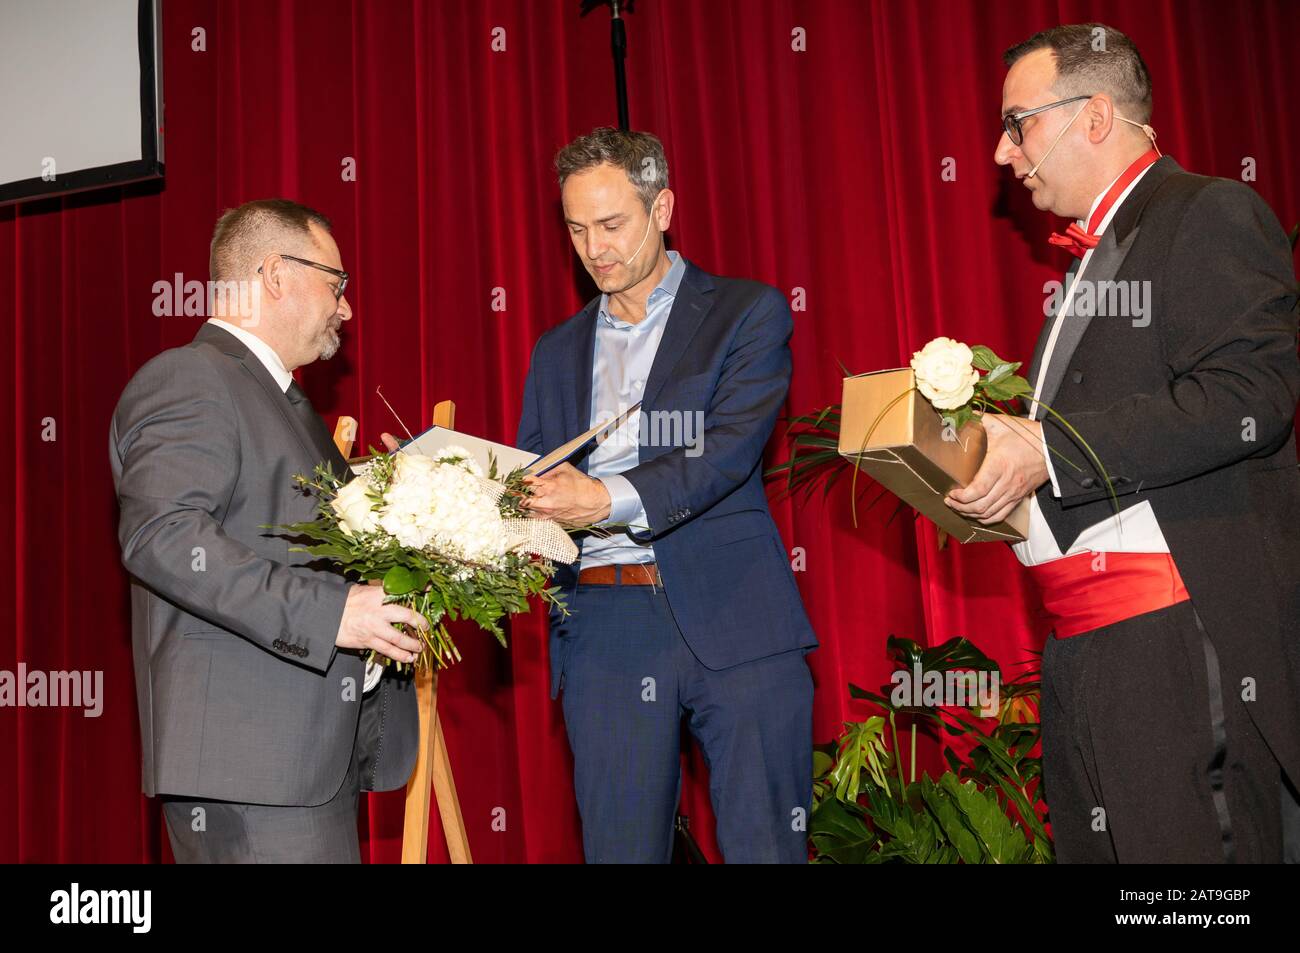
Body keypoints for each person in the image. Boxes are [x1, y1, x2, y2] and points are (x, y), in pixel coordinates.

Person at [947, 24, 1300, 862]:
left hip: (1178, 638)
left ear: (1095, 115)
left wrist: (1047, 449)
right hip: (1089, 650)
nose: (1002, 152)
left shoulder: (1210, 210)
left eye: (1018, 122)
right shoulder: (1085, 264)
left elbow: (1254, 396)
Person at [514, 128, 818, 862]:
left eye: (612, 224)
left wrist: (604, 498)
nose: (594, 247)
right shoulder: (555, 349)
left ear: (664, 208)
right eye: (576, 228)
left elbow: (726, 452)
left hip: (735, 614)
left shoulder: (747, 312)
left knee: (768, 847)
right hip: (604, 625)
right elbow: (531, 476)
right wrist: (456, 497)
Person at [110, 199, 426, 863]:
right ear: (276, 274)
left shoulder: (282, 402)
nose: (345, 307)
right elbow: (163, 537)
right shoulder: (190, 379)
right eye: (336, 283)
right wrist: (334, 611)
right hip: (249, 771)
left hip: (304, 768)